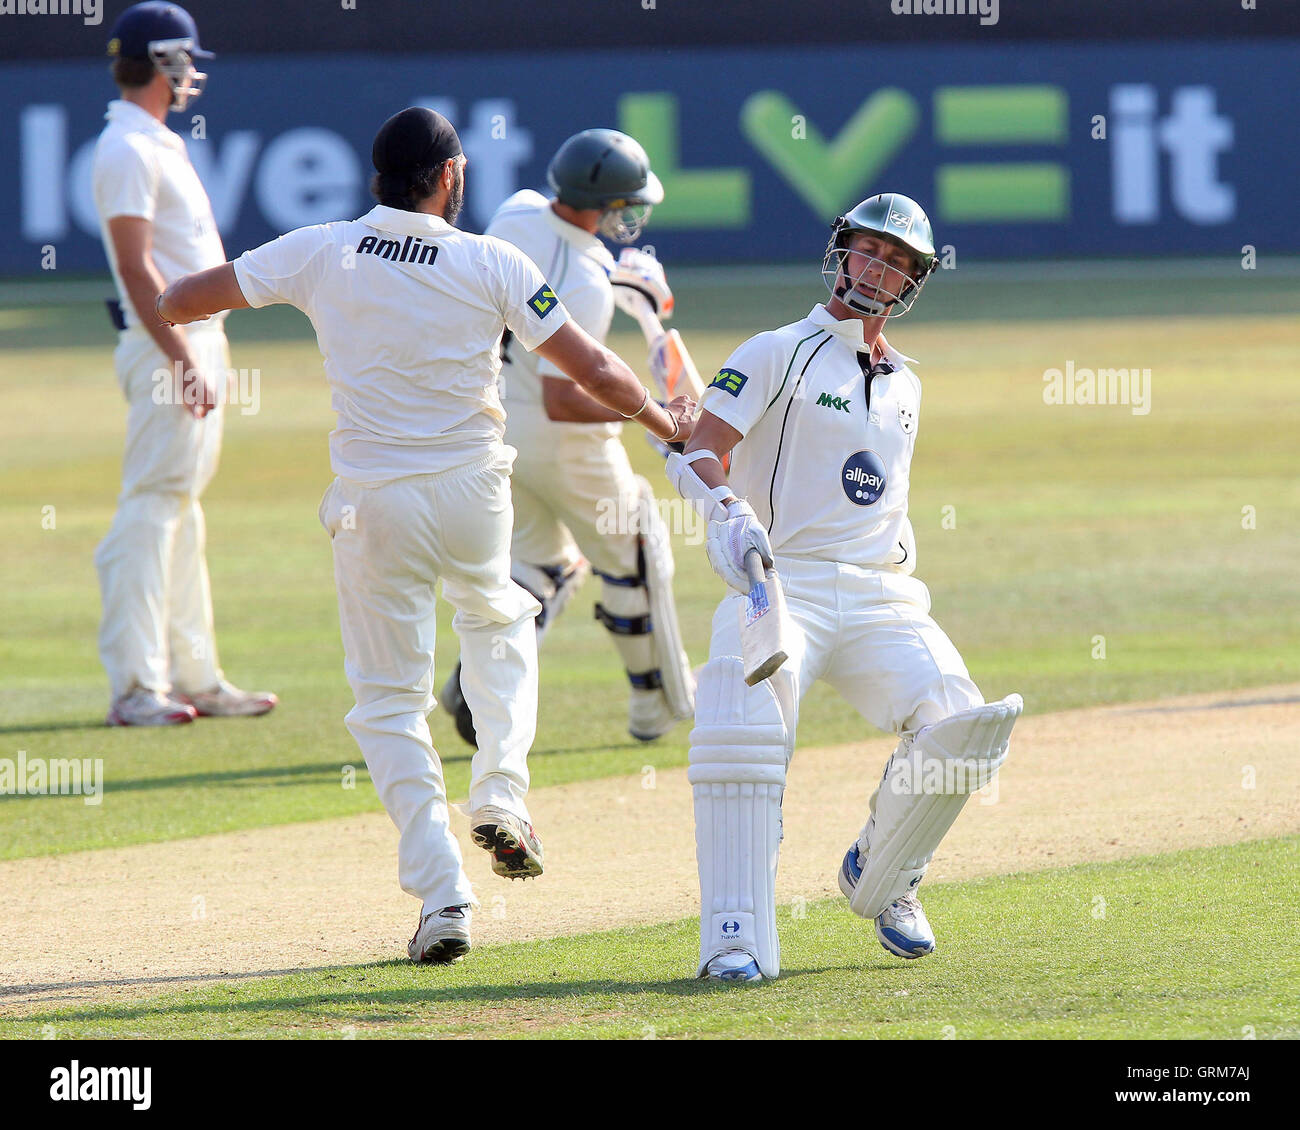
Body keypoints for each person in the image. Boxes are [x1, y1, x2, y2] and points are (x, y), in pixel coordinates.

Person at [157, 108, 695, 965]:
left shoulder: (320, 248)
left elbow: (185, 298)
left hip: (373, 504)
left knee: (388, 703)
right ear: (447, 179)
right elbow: (592, 367)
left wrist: (167, 296)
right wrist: (669, 426)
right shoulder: (493, 260)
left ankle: (443, 894)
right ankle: (503, 798)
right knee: (500, 622)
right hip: (473, 492)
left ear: (378, 179)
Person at [666, 193, 1022, 982]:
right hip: (778, 582)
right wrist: (726, 514)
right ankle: (736, 938)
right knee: (740, 733)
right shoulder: (775, 350)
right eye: (869, 250)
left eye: (898, 263)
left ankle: (883, 871)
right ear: (841, 253)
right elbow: (695, 452)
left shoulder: (906, 385)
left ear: (913, 282)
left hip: (880, 592)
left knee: (964, 723)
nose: (879, 269)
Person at [438, 128, 693, 746]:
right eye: (624, 203)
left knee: (540, 563)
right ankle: (651, 707)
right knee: (635, 556)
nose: (629, 214)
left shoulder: (517, 210)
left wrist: (614, 273)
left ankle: (477, 684)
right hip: (563, 444)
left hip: (496, 423)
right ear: (602, 203)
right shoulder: (585, 280)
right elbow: (565, 396)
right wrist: (648, 414)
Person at [91, 1, 276, 726]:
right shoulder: (128, 148)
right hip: (170, 345)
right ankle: (137, 686)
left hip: (197, 341)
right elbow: (135, 270)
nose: (194, 73)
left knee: (180, 509)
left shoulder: (155, 142)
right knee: (149, 507)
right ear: (165, 60)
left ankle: (195, 676)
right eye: (187, 59)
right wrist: (179, 357)